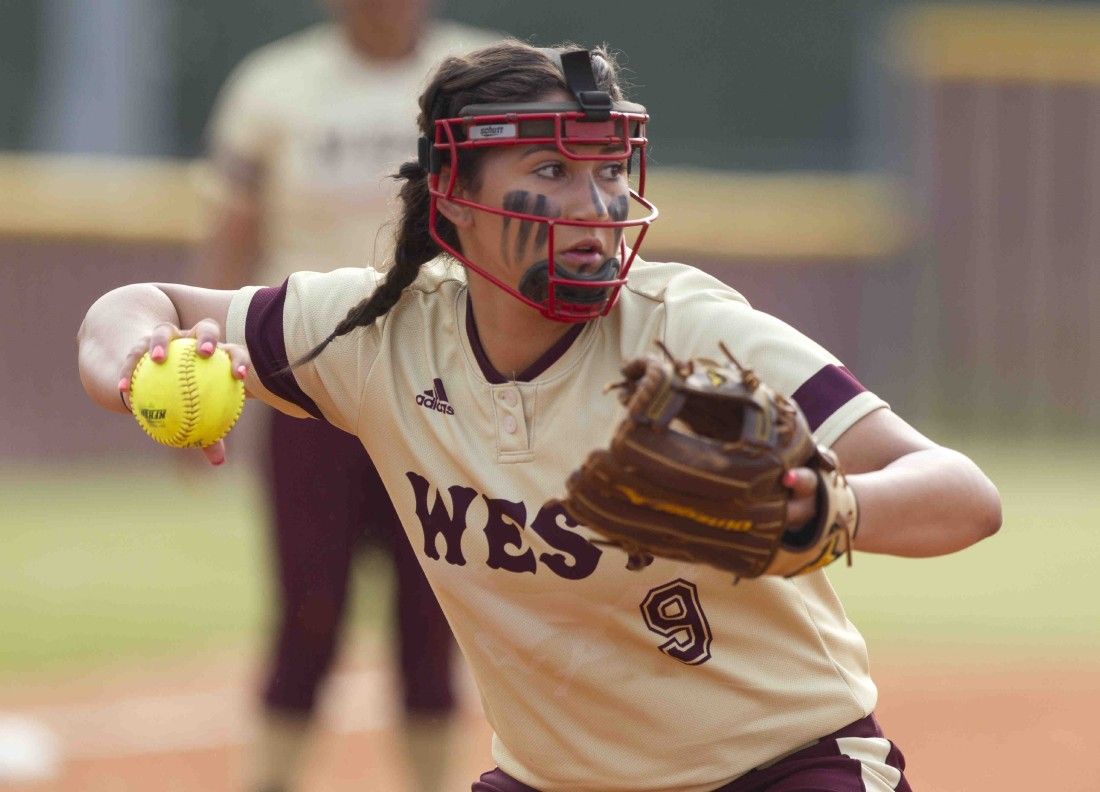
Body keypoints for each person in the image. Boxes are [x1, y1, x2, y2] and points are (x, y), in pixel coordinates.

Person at [78, 40, 1002, 792]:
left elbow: (963, 495)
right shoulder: (377, 335)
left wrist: (823, 512)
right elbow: (138, 300)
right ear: (453, 198)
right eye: (553, 169)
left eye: (607, 169)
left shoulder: (691, 330)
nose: (594, 205)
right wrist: (138, 365)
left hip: (780, 768)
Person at [196, 3, 497, 791]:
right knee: (307, 608)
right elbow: (234, 230)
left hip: (443, 382)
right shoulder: (274, 85)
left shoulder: (486, 76)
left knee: (433, 616)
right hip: (310, 381)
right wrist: (212, 364)